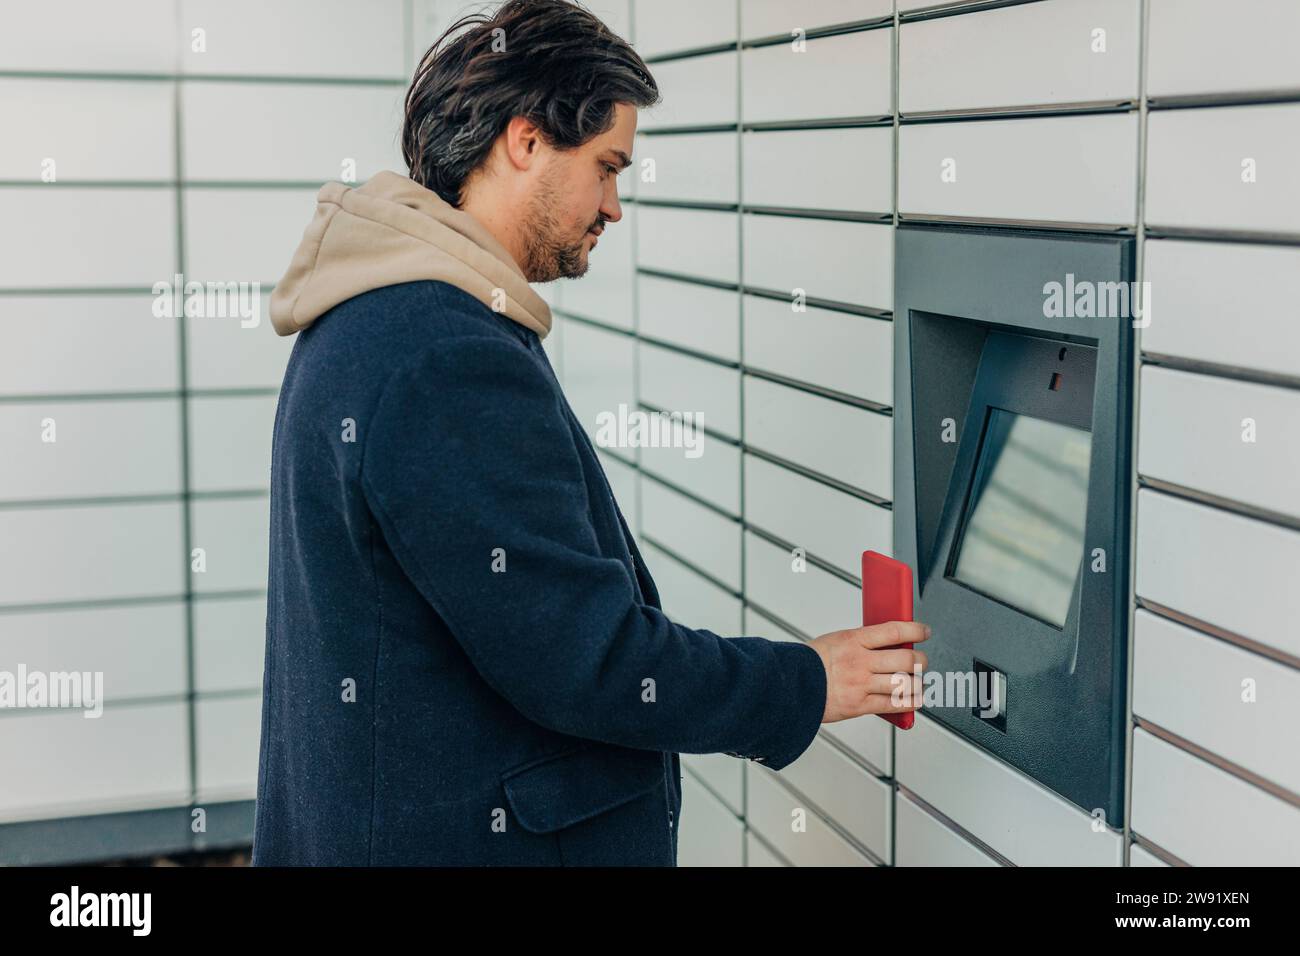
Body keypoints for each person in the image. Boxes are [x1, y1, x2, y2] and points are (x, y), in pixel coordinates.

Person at [251, 0, 927, 867]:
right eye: (606, 167)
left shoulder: (368, 312)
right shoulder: (447, 353)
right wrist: (805, 682)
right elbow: (584, 658)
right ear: (525, 141)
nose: (613, 205)